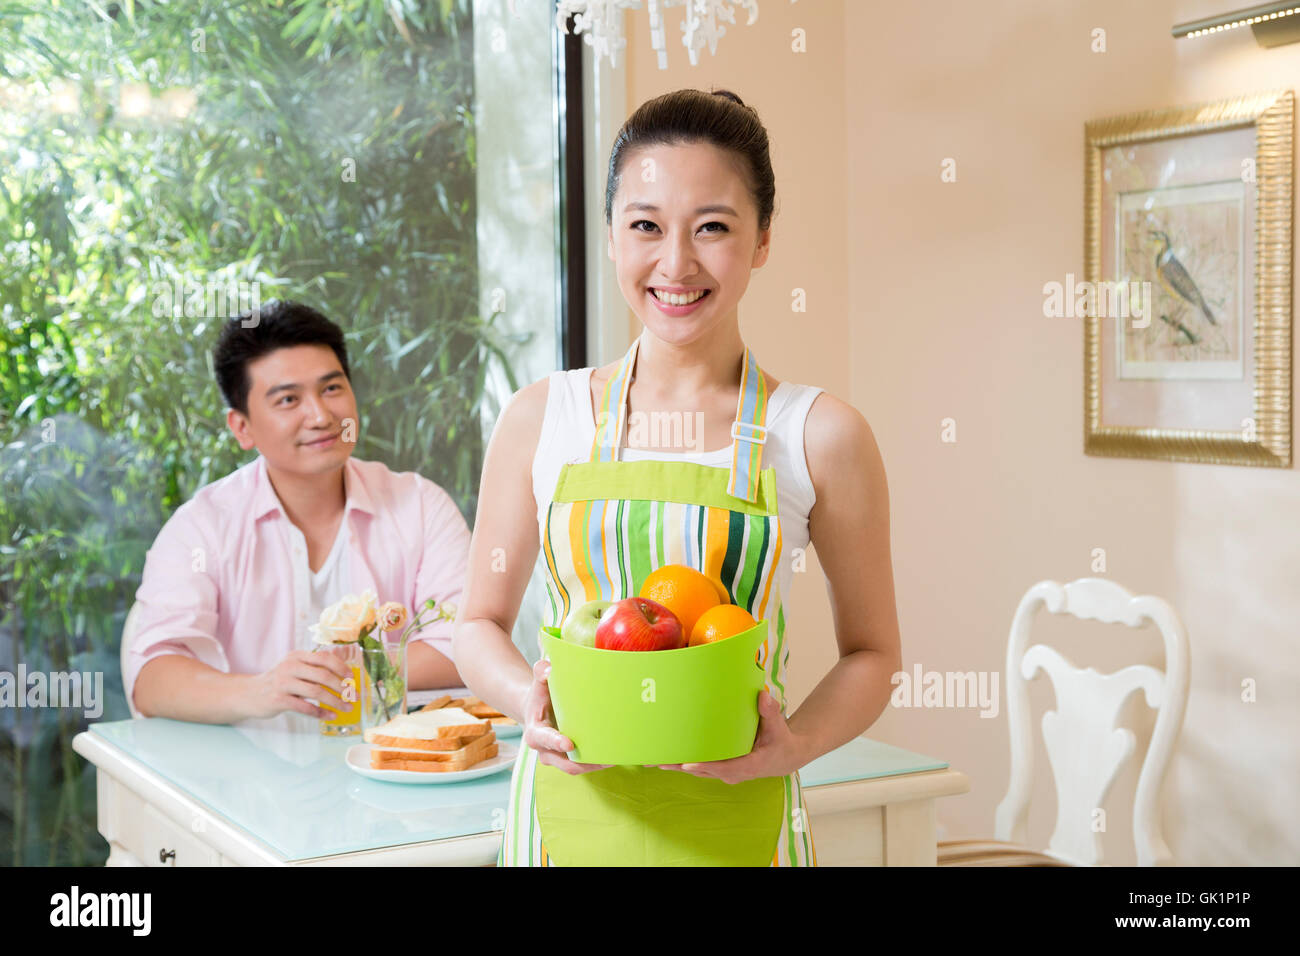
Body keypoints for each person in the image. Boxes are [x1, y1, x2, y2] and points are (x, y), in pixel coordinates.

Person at [453, 89, 902, 866]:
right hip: (566, 821)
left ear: (762, 240)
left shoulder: (820, 435)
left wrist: (794, 746)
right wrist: (529, 699)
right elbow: (476, 624)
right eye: (646, 227)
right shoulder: (540, 419)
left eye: (713, 228)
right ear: (612, 237)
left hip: (741, 824)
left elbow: (873, 653)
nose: (676, 263)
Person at [126, 300, 471, 724]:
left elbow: (467, 644)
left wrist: (349, 677)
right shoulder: (202, 528)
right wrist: (265, 689)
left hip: (391, 768)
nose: (321, 415)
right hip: (247, 779)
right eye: (288, 399)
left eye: (331, 388)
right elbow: (151, 678)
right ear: (242, 427)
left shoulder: (419, 506)